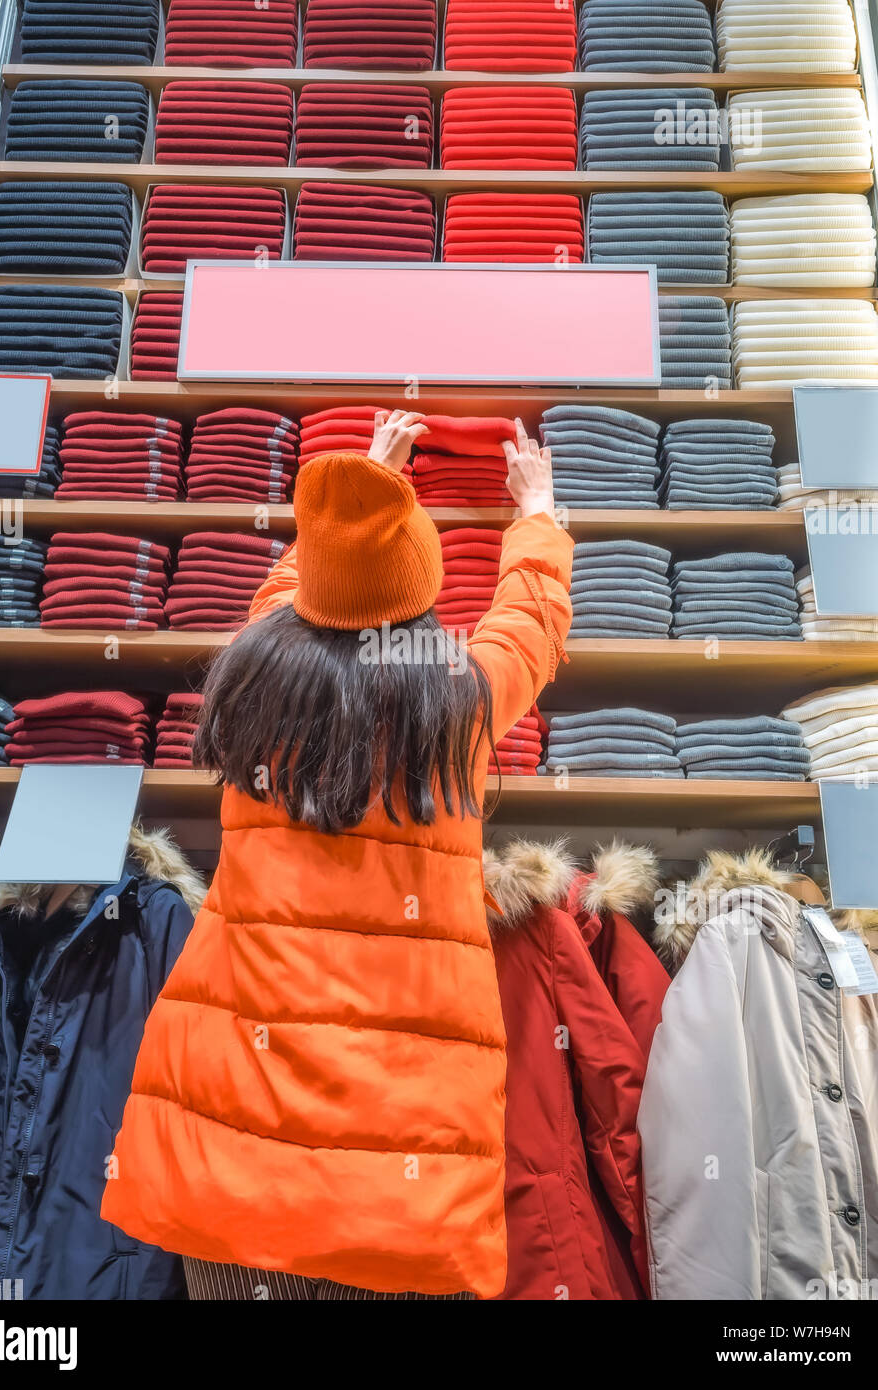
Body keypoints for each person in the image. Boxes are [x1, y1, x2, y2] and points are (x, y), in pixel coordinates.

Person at [101, 411, 574, 1300]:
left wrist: (355, 493)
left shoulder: (250, 686)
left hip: (231, 1159)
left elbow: (288, 598)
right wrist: (535, 513)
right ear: (424, 589)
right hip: (398, 1187)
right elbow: (528, 628)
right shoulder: (458, 710)